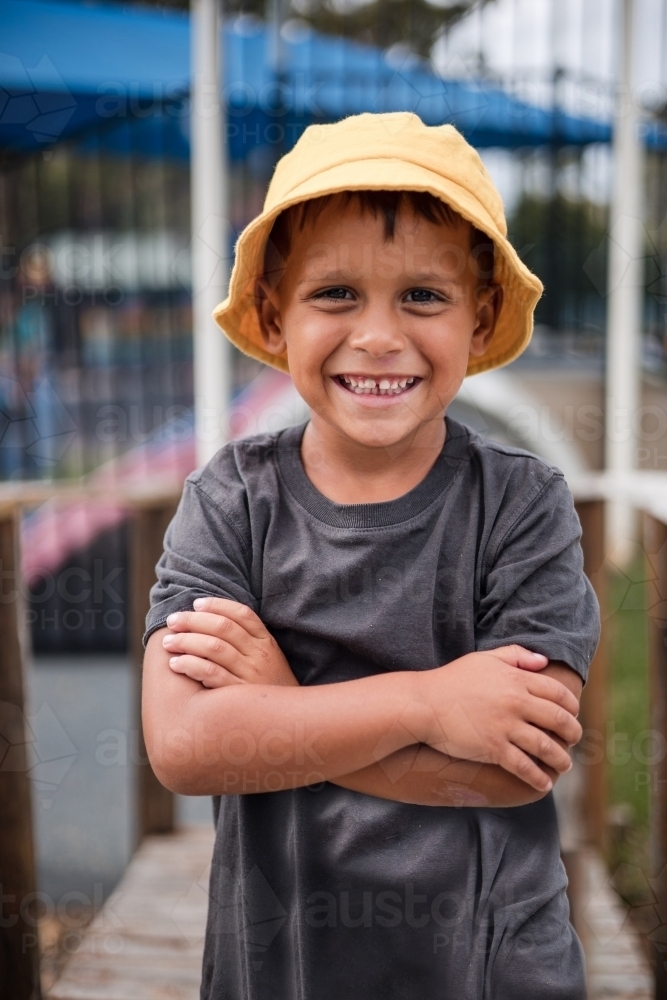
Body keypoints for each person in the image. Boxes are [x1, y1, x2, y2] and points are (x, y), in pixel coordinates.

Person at [142, 111, 600, 1000]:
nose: (379, 335)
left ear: (481, 317)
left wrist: (275, 712)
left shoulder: (521, 504)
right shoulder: (231, 502)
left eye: (422, 296)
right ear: (274, 317)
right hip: (285, 969)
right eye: (335, 294)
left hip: (490, 968)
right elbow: (188, 745)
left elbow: (513, 772)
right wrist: (429, 700)